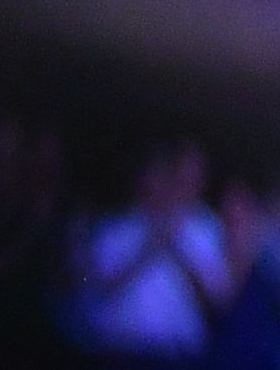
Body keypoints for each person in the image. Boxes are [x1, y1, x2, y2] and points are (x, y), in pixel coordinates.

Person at [79, 142, 229, 370]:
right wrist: (148, 249)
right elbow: (96, 288)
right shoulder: (114, 227)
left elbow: (217, 300)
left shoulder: (202, 227)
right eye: (151, 175)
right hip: (120, 354)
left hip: (177, 357)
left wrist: (177, 249)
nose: (156, 184)